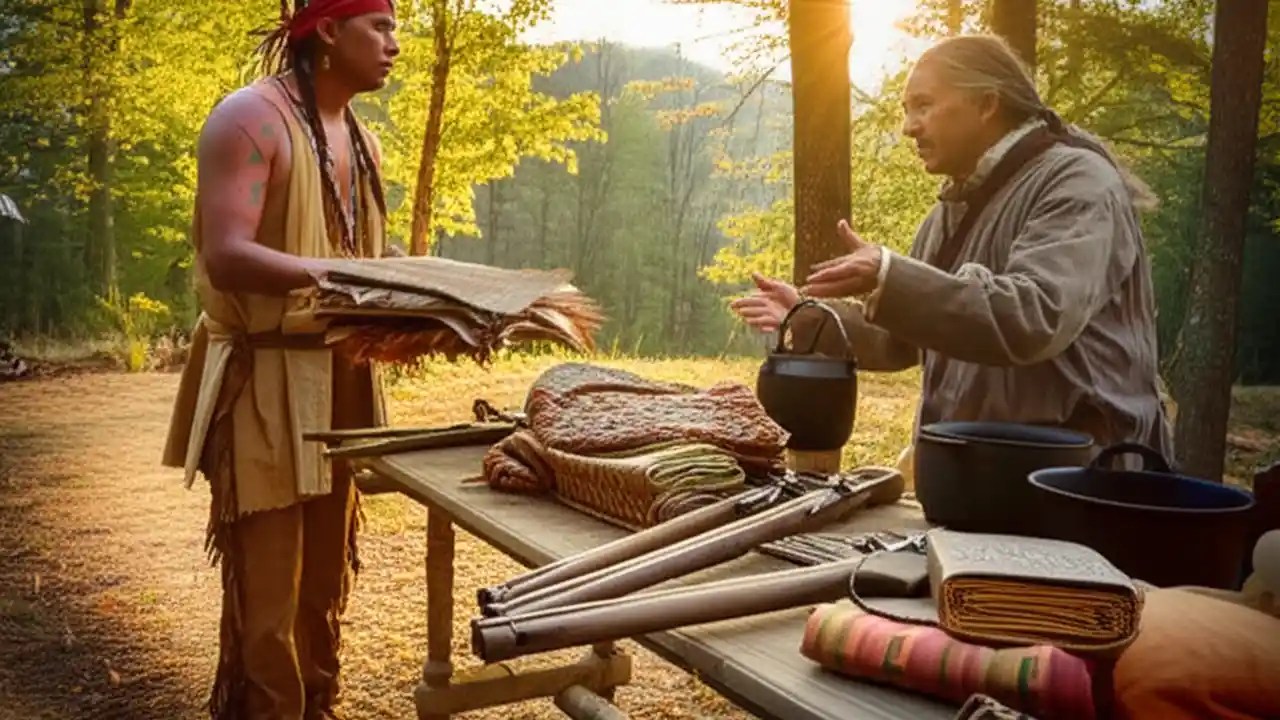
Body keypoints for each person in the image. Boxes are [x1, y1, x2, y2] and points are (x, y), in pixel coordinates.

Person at [731, 34, 1173, 467]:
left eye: (924, 106)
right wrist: (809, 317)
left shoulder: (1078, 183)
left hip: (1081, 484)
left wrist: (889, 272)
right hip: (983, 477)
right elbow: (902, 341)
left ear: (986, 104)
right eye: (906, 111)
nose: (908, 128)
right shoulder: (948, 213)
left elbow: (1034, 315)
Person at [161, 1, 399, 718]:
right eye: (380, 27)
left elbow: (363, 258)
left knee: (324, 585)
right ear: (328, 30)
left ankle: (318, 705)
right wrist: (342, 280)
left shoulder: (362, 140)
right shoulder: (250, 120)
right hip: (264, 376)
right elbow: (226, 255)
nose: (395, 44)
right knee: (268, 600)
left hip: (343, 374)